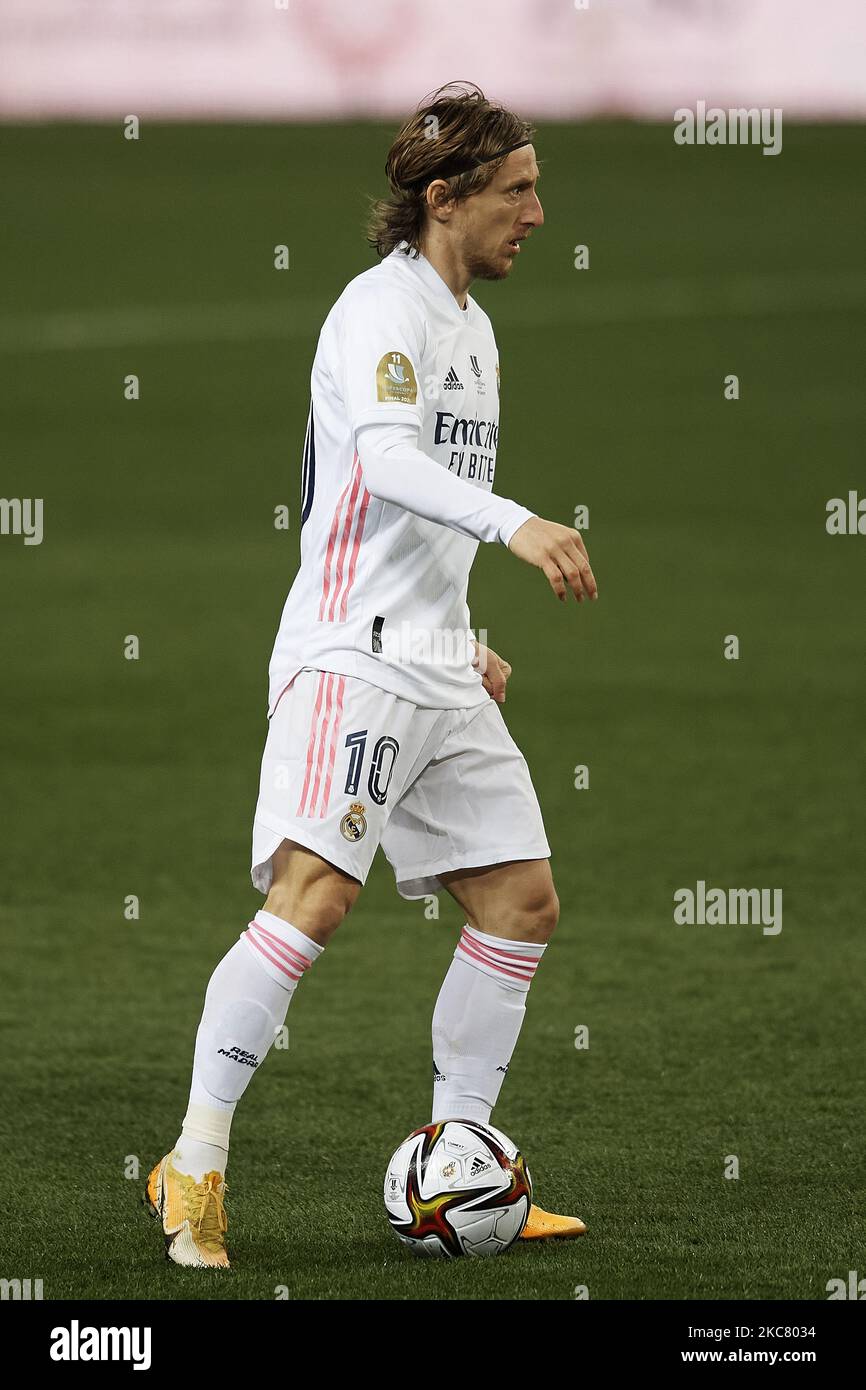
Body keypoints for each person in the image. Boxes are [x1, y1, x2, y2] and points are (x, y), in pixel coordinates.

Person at [145, 81, 597, 1268]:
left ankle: (463, 1164)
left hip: (436, 656)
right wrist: (517, 525)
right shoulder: (375, 310)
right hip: (352, 650)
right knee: (315, 896)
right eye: (516, 189)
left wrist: (465, 627)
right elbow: (386, 462)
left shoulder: (472, 324)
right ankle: (193, 1168)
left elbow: (411, 519)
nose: (537, 213)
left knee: (519, 901)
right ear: (443, 197)